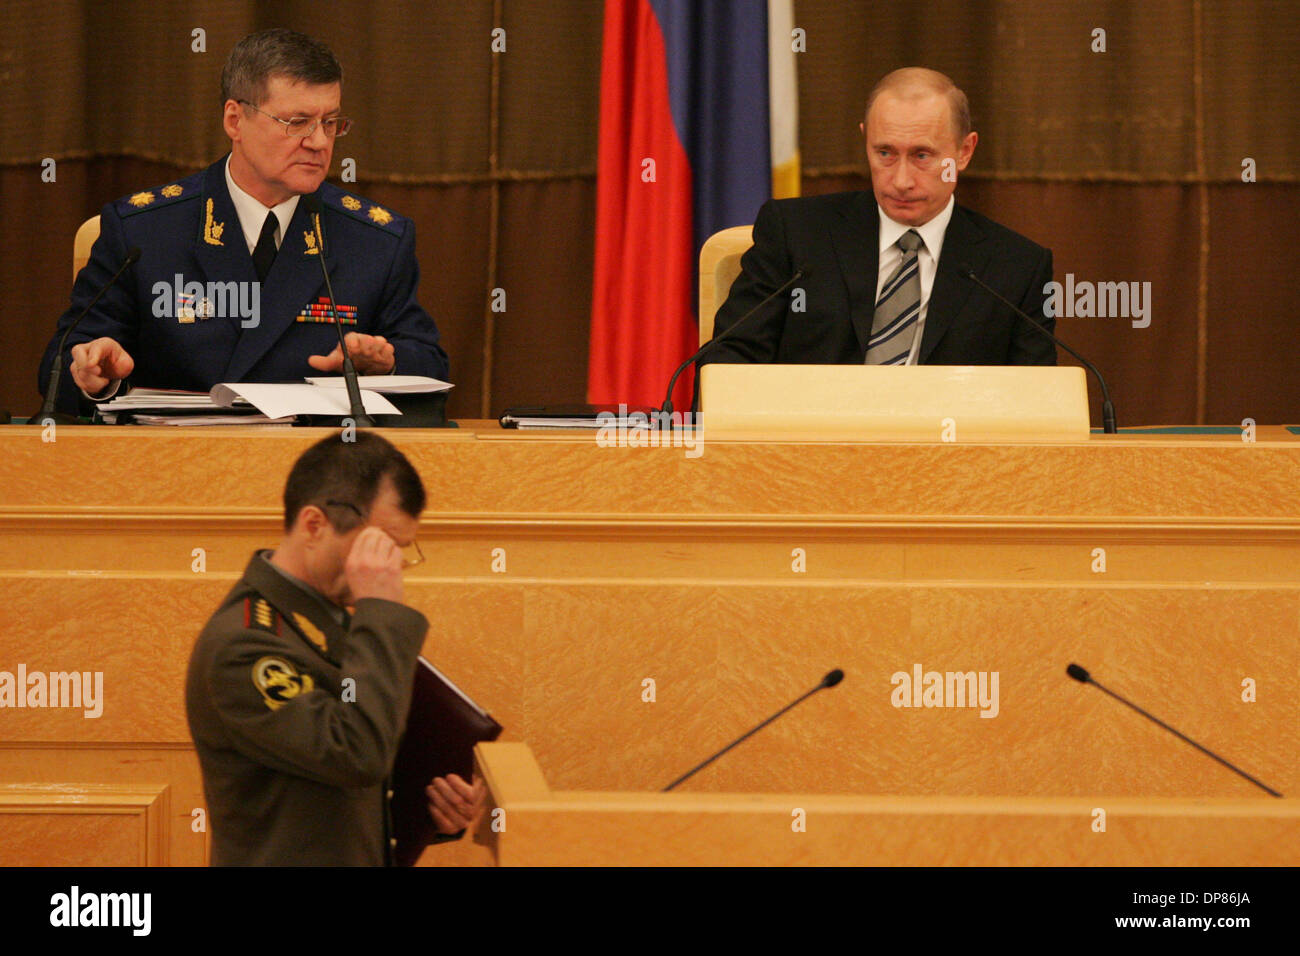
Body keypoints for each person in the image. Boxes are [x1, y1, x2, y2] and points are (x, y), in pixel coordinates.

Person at [37, 29, 448, 416]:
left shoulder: (374, 240)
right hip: (172, 467)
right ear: (235, 120)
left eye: (330, 123)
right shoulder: (144, 230)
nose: (320, 142)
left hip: (317, 472)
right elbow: (59, 366)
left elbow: (431, 368)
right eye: (297, 122)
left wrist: (388, 364)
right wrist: (95, 377)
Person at [185, 431, 484, 865]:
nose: (388, 567)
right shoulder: (245, 647)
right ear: (314, 525)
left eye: (397, 551)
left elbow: (355, 786)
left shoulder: (327, 618)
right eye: (377, 545)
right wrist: (379, 609)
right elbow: (355, 753)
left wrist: (431, 812)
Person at [703, 67, 1055, 372]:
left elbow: (1031, 406)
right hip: (808, 446)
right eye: (884, 153)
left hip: (948, 448)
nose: (901, 180)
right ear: (865, 140)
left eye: (922, 155)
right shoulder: (794, 234)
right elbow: (728, 363)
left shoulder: (1016, 269)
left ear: (963, 152)